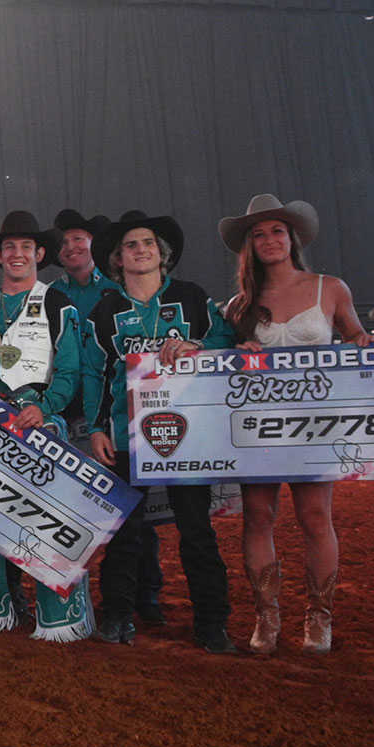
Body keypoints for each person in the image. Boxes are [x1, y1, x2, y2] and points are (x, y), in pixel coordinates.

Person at [218, 194, 370, 655]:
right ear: (249, 245)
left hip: (315, 424)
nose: (269, 239)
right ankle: (267, 615)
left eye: (276, 230)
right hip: (259, 426)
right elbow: (222, 368)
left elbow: (356, 337)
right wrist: (233, 356)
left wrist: (365, 345)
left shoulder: (330, 288)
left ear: (293, 238)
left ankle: (319, 617)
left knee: (315, 517)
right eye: (259, 233)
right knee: (259, 516)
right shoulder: (239, 305)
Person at [81, 210, 238, 653]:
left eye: (148, 243)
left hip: (188, 433)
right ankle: (116, 615)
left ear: (162, 253)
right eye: (131, 245)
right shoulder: (105, 310)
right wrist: (95, 428)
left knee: (197, 532)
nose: (141, 250)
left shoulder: (192, 298)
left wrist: (200, 345)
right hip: (124, 434)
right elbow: (94, 374)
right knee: (124, 534)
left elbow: (230, 341)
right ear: (118, 258)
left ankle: (212, 623)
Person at [0, 211, 91, 640]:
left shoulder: (58, 304)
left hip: (41, 423)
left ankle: (57, 614)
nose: (17, 254)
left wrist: (45, 405)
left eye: (26, 247)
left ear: (39, 253)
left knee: (43, 516)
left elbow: (71, 371)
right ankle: (2, 603)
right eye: (9, 247)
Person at [48, 207, 164, 623]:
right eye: (64, 242)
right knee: (71, 508)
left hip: (113, 414)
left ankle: (144, 596)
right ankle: (75, 600)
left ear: (95, 247)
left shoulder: (116, 294)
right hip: (66, 412)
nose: (72, 247)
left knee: (133, 512)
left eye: (79, 239)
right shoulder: (49, 297)